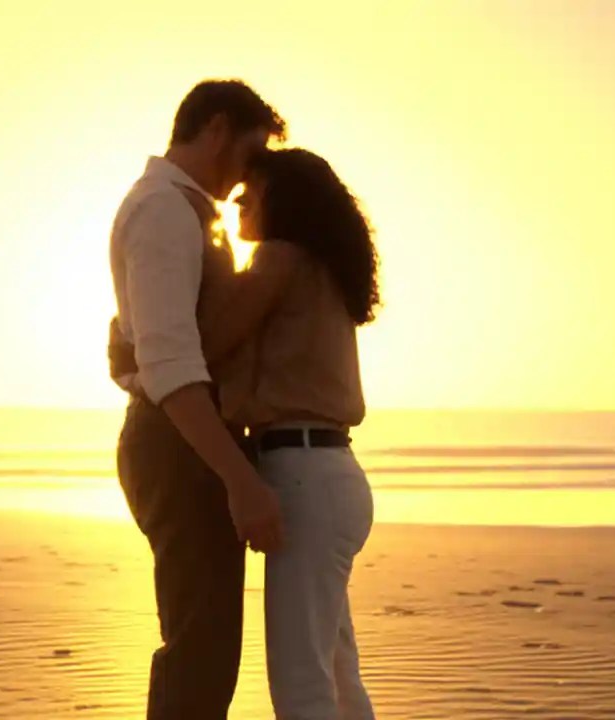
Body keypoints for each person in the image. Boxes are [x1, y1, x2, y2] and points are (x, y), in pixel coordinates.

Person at [113, 148, 381, 719]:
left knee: (301, 680)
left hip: (304, 474)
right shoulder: (319, 266)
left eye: (247, 195)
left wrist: (131, 345)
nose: (234, 204)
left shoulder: (278, 261)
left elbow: (201, 345)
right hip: (333, 474)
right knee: (335, 668)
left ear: (279, 201)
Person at [107, 79, 288, 720]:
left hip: (182, 437)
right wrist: (240, 479)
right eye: (249, 152)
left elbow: (165, 345)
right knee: (201, 653)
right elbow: (171, 367)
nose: (247, 177)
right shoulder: (162, 210)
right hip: (177, 442)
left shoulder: (183, 211)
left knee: (203, 652)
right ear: (215, 129)